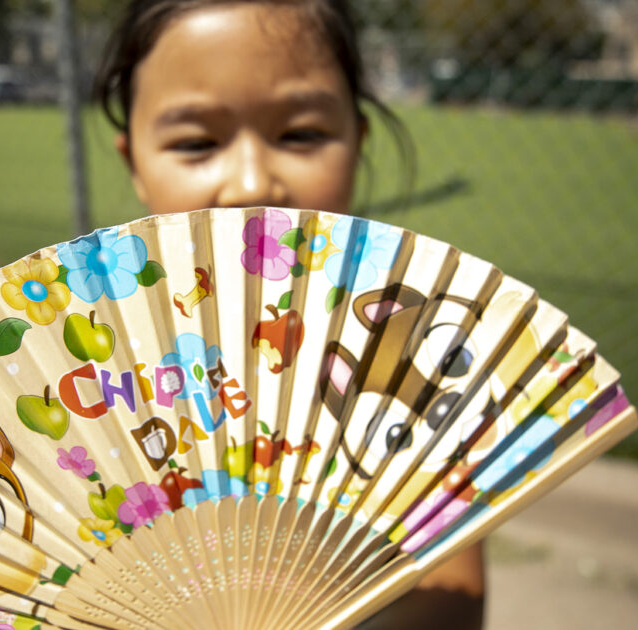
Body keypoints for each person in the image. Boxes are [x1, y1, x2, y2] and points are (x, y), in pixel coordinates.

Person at [94, 1, 485, 627]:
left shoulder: (401, 356)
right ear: (133, 163)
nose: (251, 184)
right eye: (196, 143)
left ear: (359, 141)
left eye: (300, 134)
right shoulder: (89, 363)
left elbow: (452, 593)